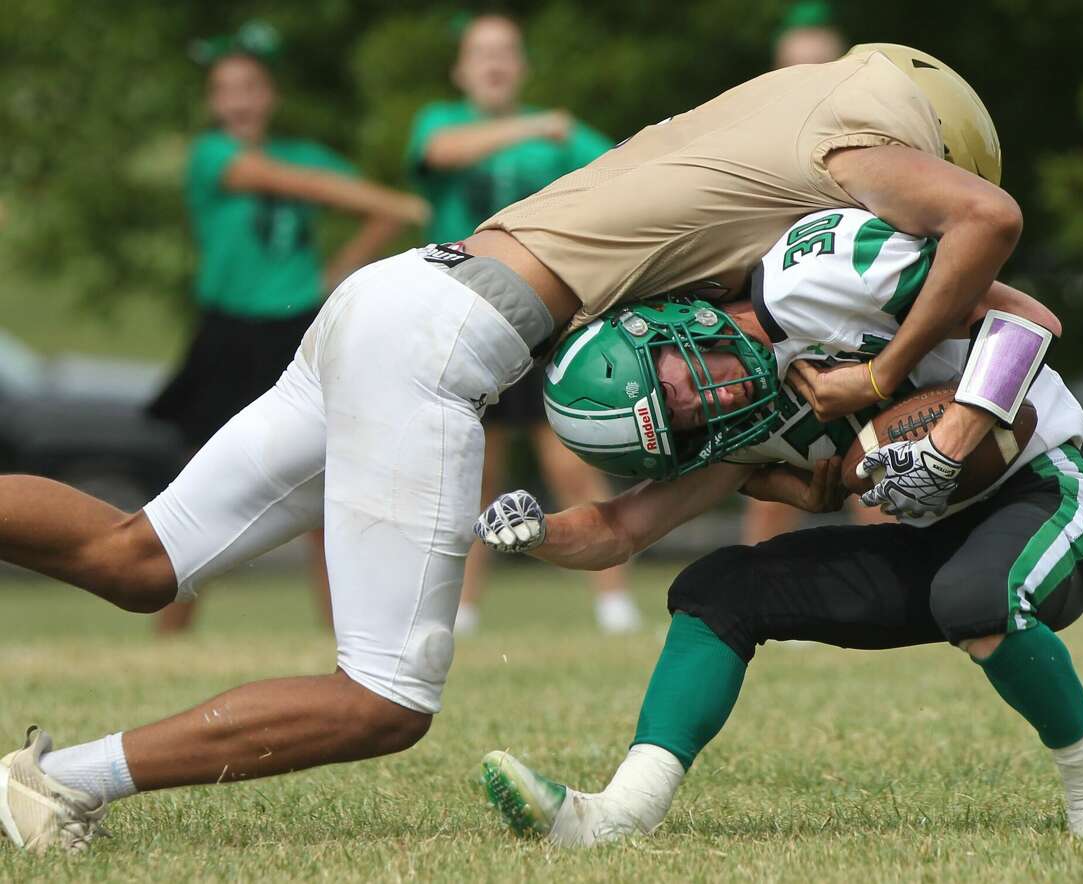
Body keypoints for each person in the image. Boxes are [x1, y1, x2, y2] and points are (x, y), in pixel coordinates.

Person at [0, 43, 1020, 854]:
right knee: (384, 699)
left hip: (401, 294)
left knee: (139, 560)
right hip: (445, 341)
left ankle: (55, 775)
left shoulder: (775, 107)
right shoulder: (853, 150)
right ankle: (58, 778)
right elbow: (987, 219)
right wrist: (886, 384)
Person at [474, 207, 1083, 843]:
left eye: (672, 385)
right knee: (719, 587)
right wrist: (537, 531)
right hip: (934, 541)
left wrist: (943, 435)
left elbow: (1026, 318)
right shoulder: (738, 425)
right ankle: (621, 812)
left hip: (1045, 490)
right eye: (678, 422)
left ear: (665, 327)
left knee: (974, 596)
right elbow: (621, 529)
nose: (698, 402)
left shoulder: (812, 272)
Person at [150, 22, 429, 633]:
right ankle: (169, 631)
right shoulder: (212, 156)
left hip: (296, 329)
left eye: (251, 86)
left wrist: (333, 275)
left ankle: (340, 632)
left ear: (269, 95)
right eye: (227, 90)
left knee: (325, 477)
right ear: (213, 103)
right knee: (199, 480)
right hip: (227, 332)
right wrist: (380, 203)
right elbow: (305, 186)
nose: (240, 100)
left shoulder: (305, 155)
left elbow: (380, 208)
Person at [405, 14, 639, 635]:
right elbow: (439, 154)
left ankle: (613, 600)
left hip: (545, 317)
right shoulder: (444, 121)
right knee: (473, 466)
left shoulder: (566, 137)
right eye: (481, 54)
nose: (494, 64)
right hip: (461, 317)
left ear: (522, 65)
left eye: (505, 52)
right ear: (461, 68)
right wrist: (540, 124)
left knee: (570, 459)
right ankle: (462, 610)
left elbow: (632, 166)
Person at [746, 0, 863, 547]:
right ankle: (759, 585)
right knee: (781, 451)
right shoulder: (752, 139)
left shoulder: (866, 140)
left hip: (855, 313)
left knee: (877, 458)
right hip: (781, 318)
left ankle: (895, 588)